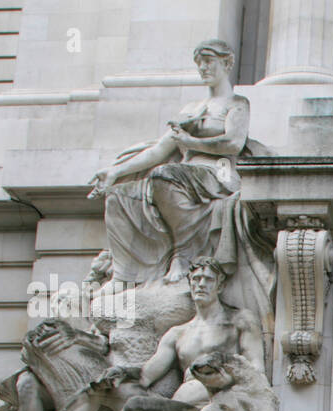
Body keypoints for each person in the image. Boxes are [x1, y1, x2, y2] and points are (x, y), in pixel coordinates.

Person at [0, 257, 264, 411]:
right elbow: (147, 374)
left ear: (220, 284)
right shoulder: (178, 332)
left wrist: (224, 376)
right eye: (196, 279)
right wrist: (121, 373)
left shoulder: (239, 320)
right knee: (102, 388)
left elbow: (256, 371)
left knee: (137, 407)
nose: (200, 285)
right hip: (172, 409)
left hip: (206, 410)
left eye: (207, 279)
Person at [88, 39, 251, 285]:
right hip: (184, 173)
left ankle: (182, 255)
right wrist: (114, 171)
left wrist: (190, 141)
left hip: (218, 173)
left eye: (209, 61)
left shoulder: (237, 104)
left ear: (227, 63)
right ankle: (124, 274)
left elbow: (233, 144)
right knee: (119, 196)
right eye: (199, 63)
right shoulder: (191, 108)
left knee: (165, 176)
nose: (203, 68)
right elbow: (158, 151)